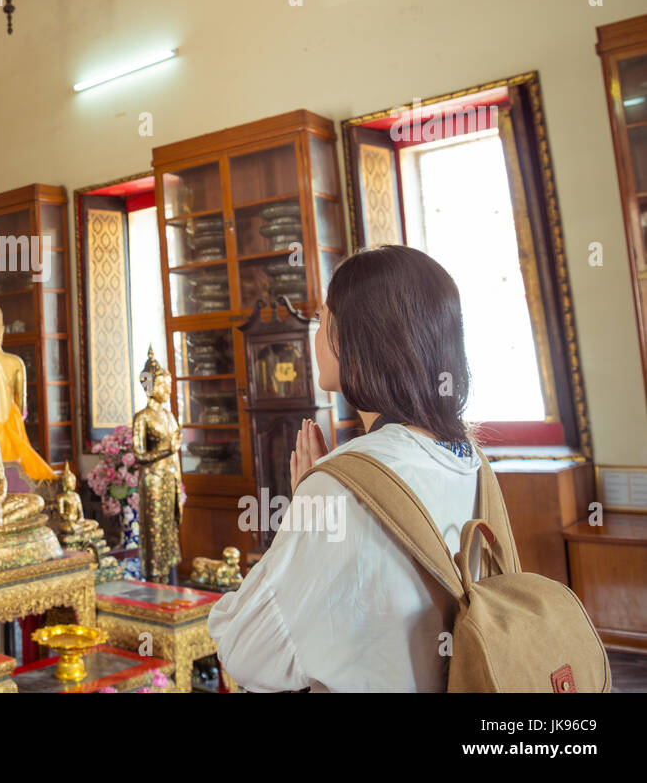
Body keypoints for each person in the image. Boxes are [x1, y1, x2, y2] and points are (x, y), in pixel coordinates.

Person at [207, 245, 495, 692]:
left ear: (360, 341)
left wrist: (307, 504)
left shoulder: (346, 481)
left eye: (324, 321)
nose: (316, 337)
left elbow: (248, 651)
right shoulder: (470, 459)